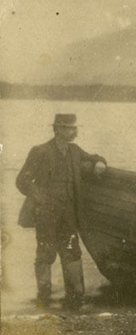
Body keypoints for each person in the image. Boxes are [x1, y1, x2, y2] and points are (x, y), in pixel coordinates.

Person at [16, 113, 107, 310]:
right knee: (45, 252)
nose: (73, 132)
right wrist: (40, 199)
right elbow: (22, 181)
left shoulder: (74, 150)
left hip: (69, 213)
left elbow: (94, 157)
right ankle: (44, 297)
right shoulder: (40, 151)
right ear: (57, 129)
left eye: (74, 128)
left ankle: (75, 296)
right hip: (46, 213)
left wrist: (100, 162)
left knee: (72, 252)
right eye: (68, 128)